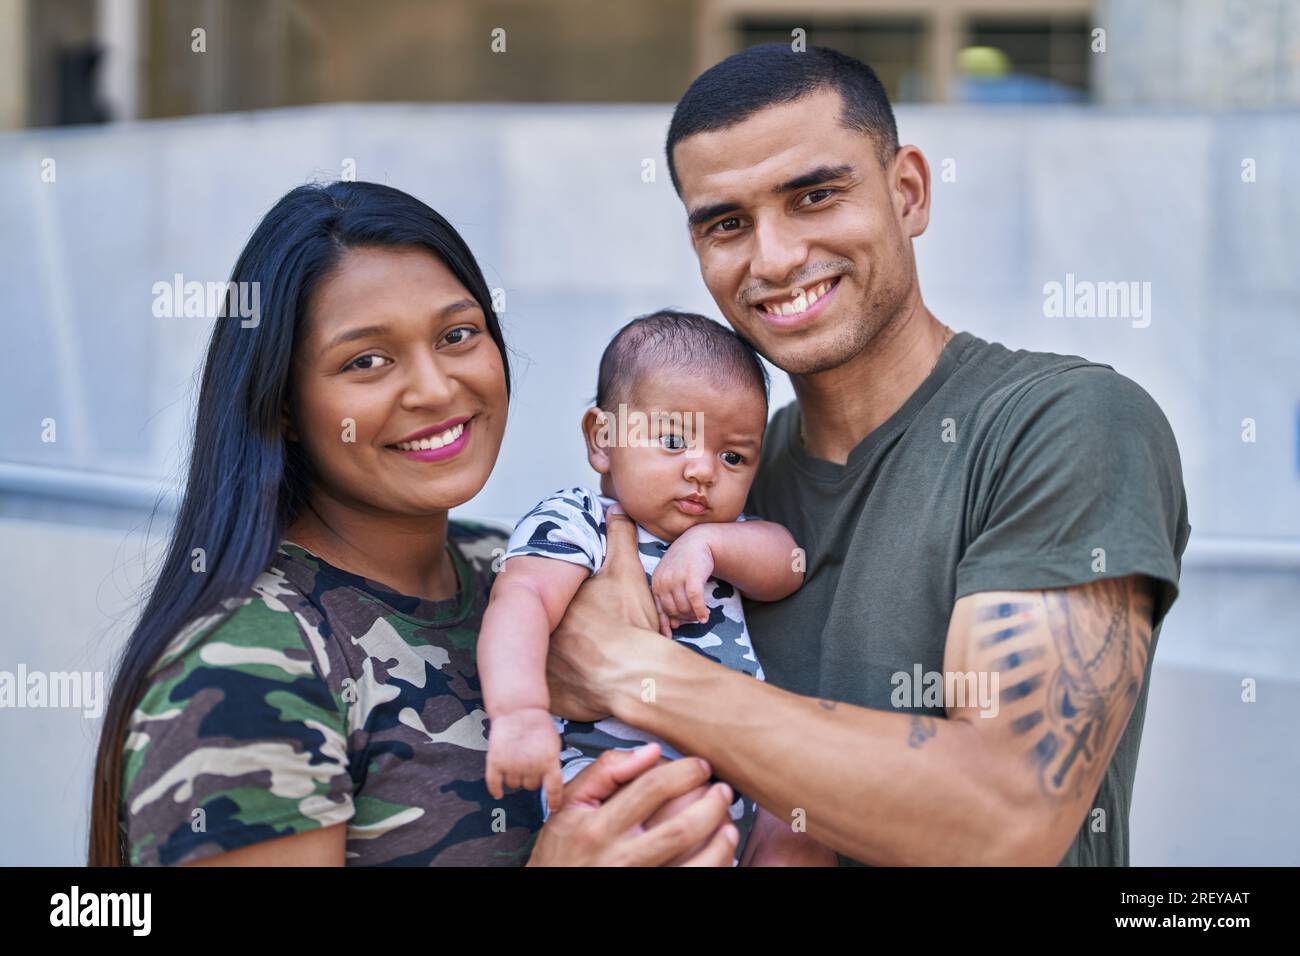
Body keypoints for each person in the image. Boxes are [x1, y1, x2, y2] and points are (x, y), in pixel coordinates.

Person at [544, 44, 1191, 866]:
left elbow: (1003, 818)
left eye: (814, 195)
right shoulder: (713, 484)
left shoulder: (1065, 424)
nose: (772, 259)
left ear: (908, 192)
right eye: (727, 224)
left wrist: (632, 671)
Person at [88, 181, 738, 867]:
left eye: (458, 335)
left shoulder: (522, 570)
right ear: (282, 403)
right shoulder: (245, 665)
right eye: (367, 361)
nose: (433, 388)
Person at [478, 310, 834, 865]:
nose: (702, 470)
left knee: (807, 823)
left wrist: (708, 547)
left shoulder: (725, 536)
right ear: (603, 439)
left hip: (734, 770)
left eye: (733, 456)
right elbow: (521, 600)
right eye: (673, 439)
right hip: (615, 776)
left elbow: (787, 565)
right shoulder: (577, 520)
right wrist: (519, 711)